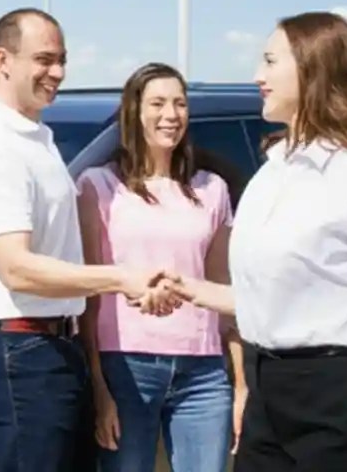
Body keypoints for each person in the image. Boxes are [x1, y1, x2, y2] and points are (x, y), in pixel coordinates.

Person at [159, 11, 347, 471]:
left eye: (270, 61)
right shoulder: (276, 170)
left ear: (316, 68)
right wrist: (189, 289)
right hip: (268, 394)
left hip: (343, 401)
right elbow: (275, 297)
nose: (257, 76)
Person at [0, 8, 183, 472]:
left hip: (49, 349)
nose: (56, 72)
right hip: (18, 355)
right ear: (3, 60)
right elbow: (15, 268)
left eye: (61, 60)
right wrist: (120, 278)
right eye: (43, 59)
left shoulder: (34, 140)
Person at [74, 62, 245, 472]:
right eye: (158, 103)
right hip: (125, 368)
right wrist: (99, 388)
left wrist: (240, 382)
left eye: (180, 103)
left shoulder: (212, 189)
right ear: (134, 111)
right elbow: (89, 299)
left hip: (203, 372)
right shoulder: (98, 185)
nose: (171, 114)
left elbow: (223, 289)